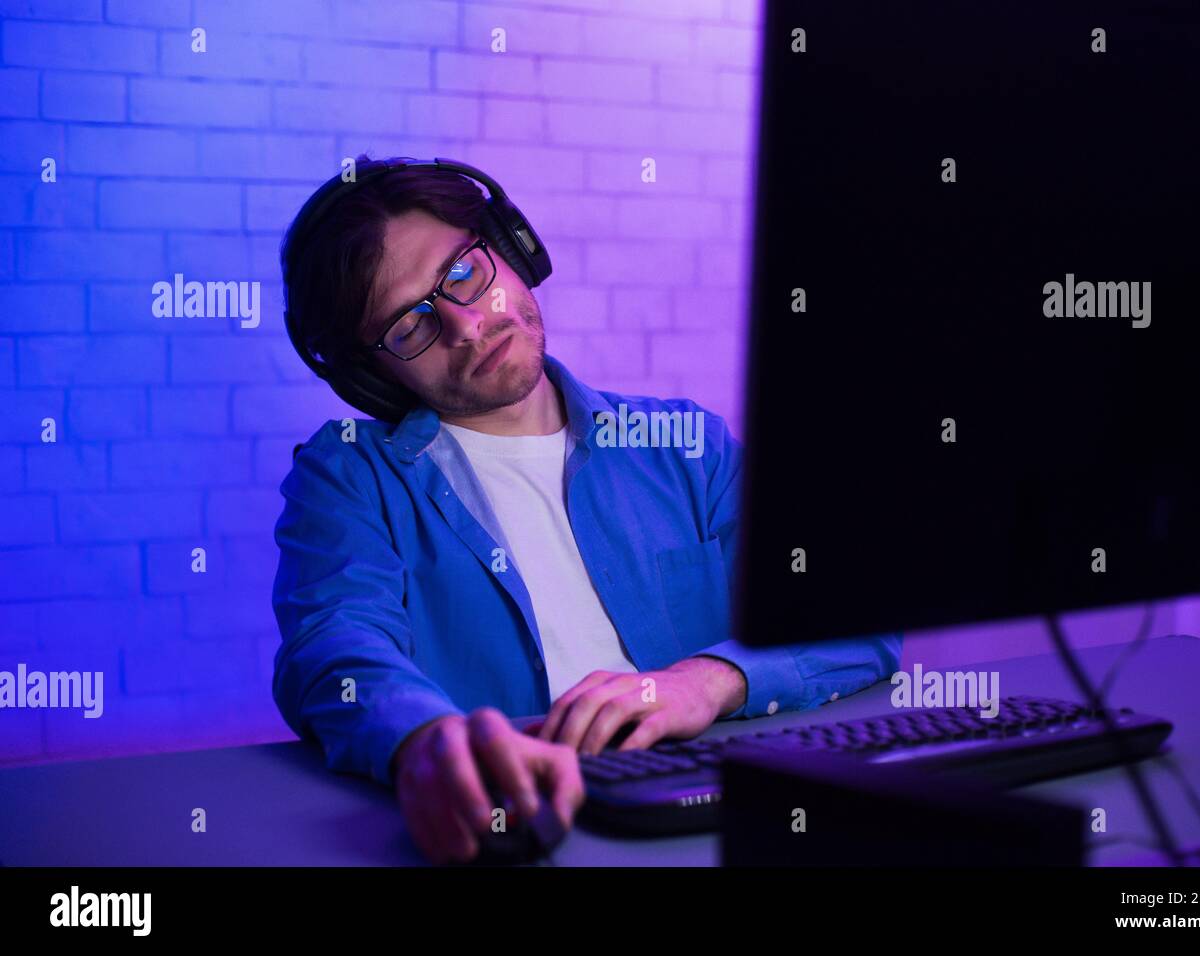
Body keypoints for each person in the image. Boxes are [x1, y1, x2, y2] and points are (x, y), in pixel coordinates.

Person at [271, 156, 903, 864]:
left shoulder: (686, 446)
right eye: (411, 324)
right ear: (372, 374)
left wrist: (705, 682)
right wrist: (419, 741)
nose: (467, 326)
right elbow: (333, 648)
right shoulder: (349, 476)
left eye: (462, 275)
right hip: (527, 839)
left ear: (511, 251)